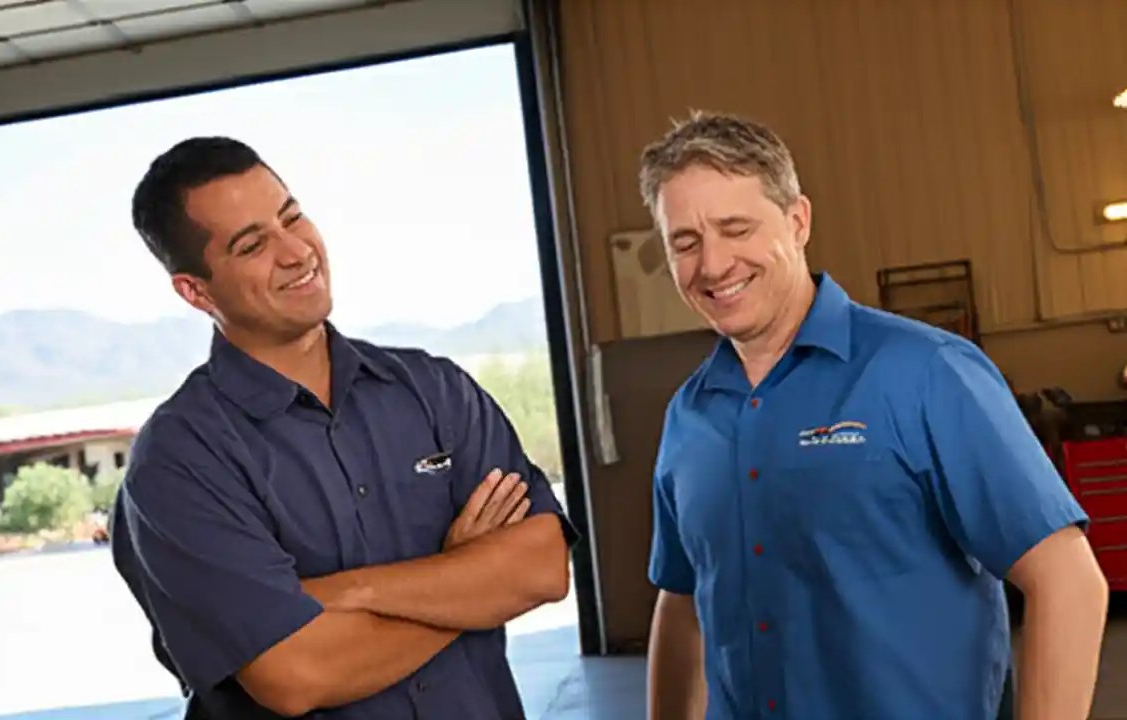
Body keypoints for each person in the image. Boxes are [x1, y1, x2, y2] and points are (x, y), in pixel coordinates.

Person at [639, 110, 1108, 720]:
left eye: (736, 229)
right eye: (686, 242)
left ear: (797, 220)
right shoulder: (688, 416)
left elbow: (1067, 581)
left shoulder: (925, 373)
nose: (714, 264)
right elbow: (683, 603)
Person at [108, 136, 577, 719]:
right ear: (196, 290)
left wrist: (355, 591)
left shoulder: (434, 391)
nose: (295, 250)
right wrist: (463, 580)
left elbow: (541, 567)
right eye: (253, 244)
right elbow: (297, 675)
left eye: (292, 216)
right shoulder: (180, 462)